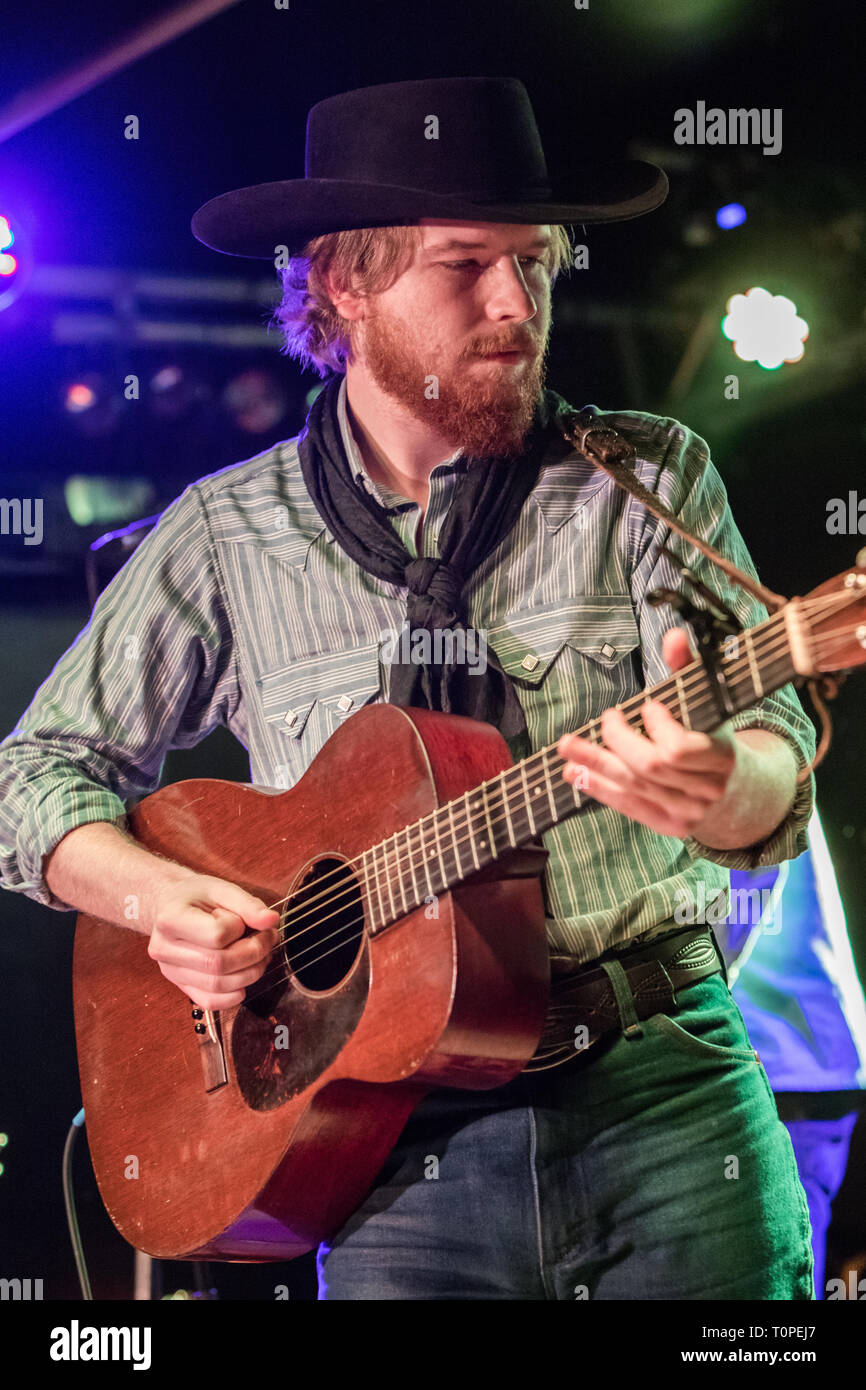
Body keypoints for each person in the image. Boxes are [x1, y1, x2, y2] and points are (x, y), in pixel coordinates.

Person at [0, 77, 817, 1300]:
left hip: (664, 1092)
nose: (514, 304)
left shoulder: (645, 478)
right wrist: (161, 899)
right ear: (345, 282)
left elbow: (771, 748)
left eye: (533, 263)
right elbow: (28, 777)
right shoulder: (225, 535)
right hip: (382, 1144)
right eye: (463, 265)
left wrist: (721, 790)